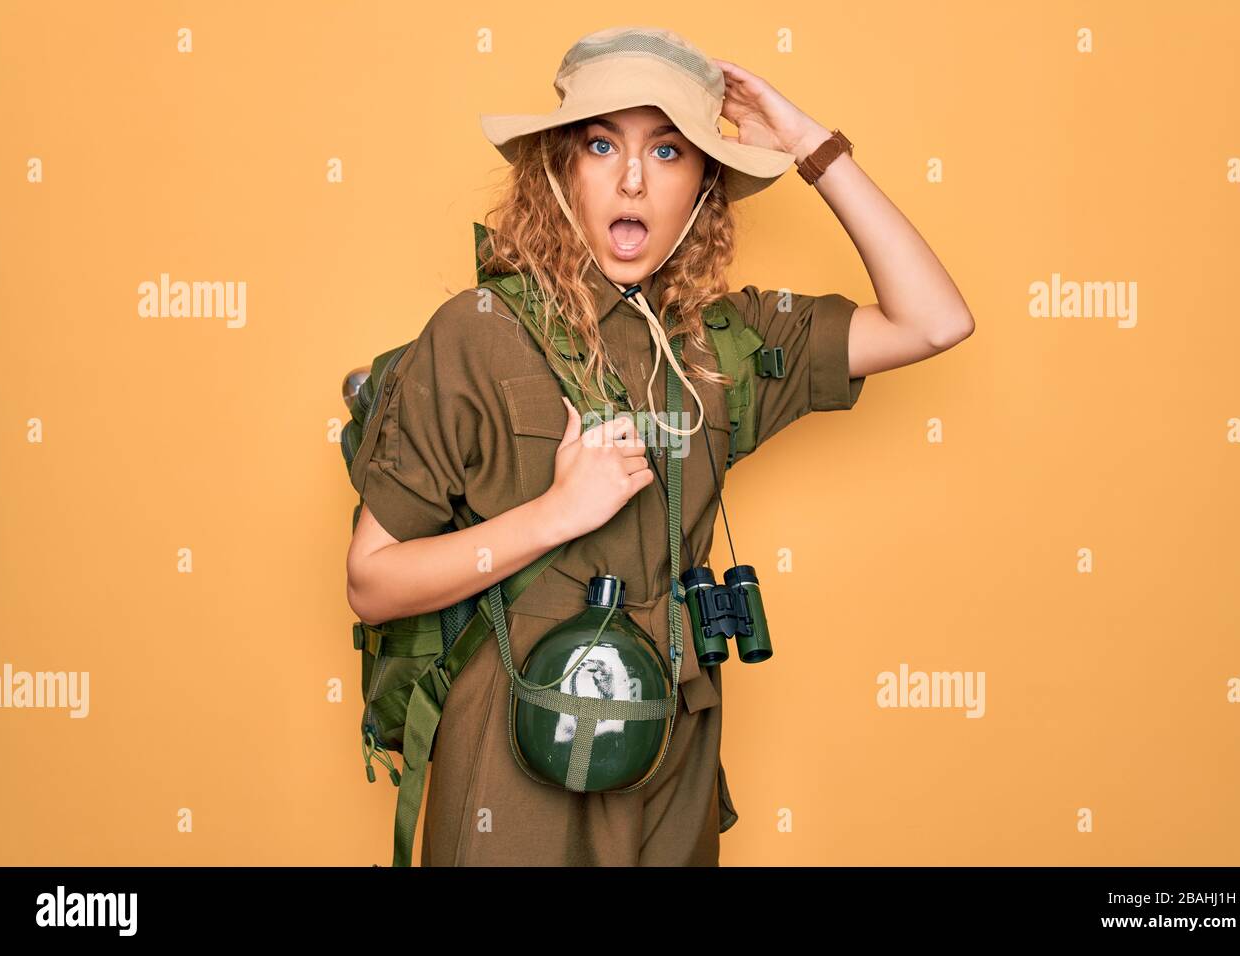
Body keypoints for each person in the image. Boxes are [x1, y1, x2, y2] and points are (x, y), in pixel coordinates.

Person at [345, 25, 974, 866]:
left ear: (705, 186)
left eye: (670, 151)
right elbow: (372, 582)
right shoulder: (476, 332)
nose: (633, 178)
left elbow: (934, 320)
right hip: (511, 759)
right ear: (559, 170)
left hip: (670, 759)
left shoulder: (725, 342)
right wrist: (556, 513)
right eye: (601, 144)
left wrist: (807, 145)